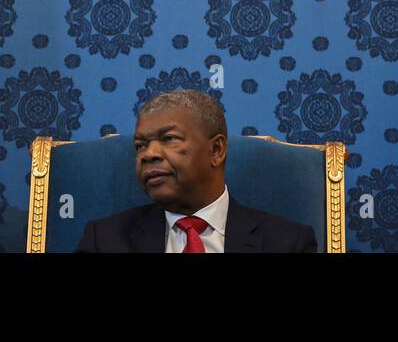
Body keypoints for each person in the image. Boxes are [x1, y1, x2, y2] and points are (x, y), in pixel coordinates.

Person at [74, 89, 317, 253]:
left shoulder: (287, 243)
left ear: (216, 150)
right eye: (140, 146)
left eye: (169, 138)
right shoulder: (104, 241)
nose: (148, 154)